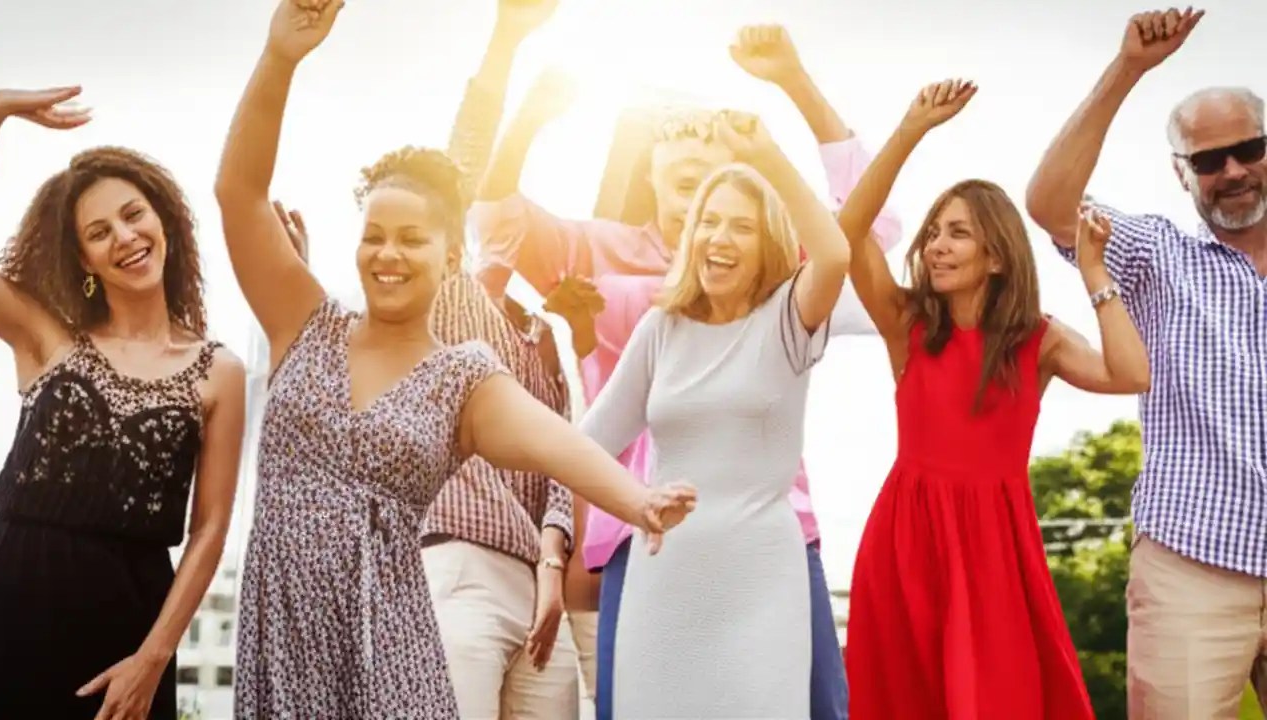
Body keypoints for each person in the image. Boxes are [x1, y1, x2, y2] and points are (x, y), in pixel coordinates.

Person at [215, 2, 695, 717]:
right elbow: (238, 192)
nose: (387, 253)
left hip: (395, 640)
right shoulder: (303, 323)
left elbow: (562, 446)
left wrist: (639, 502)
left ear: (451, 255)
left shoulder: (463, 375)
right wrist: (280, 58)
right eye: (374, 235)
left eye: (411, 238)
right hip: (286, 626)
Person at [474, 24, 901, 718]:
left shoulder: (779, 295)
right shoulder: (599, 259)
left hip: (773, 535)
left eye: (721, 191)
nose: (704, 212)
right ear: (654, 181)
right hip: (644, 539)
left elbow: (860, 238)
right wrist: (526, 116)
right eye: (686, 188)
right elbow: (496, 226)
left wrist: (794, 87)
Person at [841, 78, 1150, 718]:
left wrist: (1095, 273)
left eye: (957, 233)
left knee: (998, 698)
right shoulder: (910, 328)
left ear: (998, 256)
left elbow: (1130, 374)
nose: (935, 246)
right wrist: (909, 132)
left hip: (994, 552)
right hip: (905, 544)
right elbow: (847, 237)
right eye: (932, 232)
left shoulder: (1038, 341)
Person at [1026, 7, 1267, 716]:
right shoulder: (1156, 254)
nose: (1232, 171)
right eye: (1207, 160)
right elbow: (1049, 203)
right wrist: (1127, 68)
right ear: (1181, 171)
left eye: (1248, 149)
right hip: (1193, 559)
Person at [580, 105, 852, 718]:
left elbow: (834, 255)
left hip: (760, 579)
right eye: (708, 221)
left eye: (741, 227)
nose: (719, 239)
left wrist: (764, 156)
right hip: (663, 578)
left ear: (769, 244)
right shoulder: (660, 326)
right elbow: (587, 444)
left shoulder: (788, 319)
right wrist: (630, 502)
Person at [0, 87, 246, 719]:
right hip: (5, 601)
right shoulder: (46, 337)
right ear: (83, 259)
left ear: (163, 219)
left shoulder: (220, 371)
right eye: (100, 232)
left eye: (134, 215)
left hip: (127, 629)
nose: (125, 238)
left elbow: (210, 529)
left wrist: (151, 659)